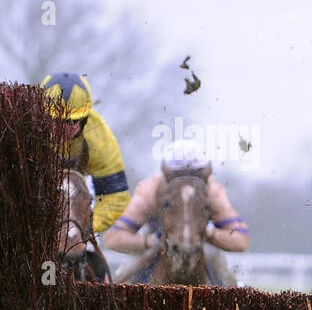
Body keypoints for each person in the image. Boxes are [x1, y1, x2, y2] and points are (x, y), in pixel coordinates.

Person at [102, 138, 248, 284]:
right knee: (124, 276)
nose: (187, 180)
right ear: (167, 175)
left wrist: (208, 232)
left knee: (228, 279)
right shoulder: (150, 190)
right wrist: (149, 241)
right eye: (179, 175)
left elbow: (240, 240)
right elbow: (113, 238)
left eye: (195, 174)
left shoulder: (213, 192)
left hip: (202, 241)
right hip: (156, 238)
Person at [41, 73, 129, 281]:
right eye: (56, 121)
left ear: (85, 119)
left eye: (72, 121)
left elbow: (115, 198)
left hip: (76, 200)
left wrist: (81, 225)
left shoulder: (99, 138)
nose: (64, 129)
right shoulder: (23, 130)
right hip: (36, 203)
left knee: (99, 272)